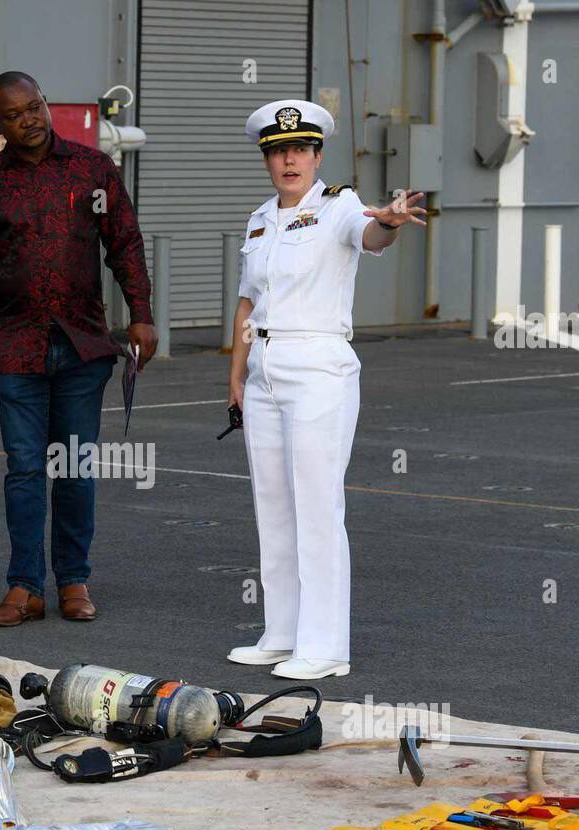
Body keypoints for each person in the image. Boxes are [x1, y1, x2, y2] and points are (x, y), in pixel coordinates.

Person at [0, 71, 157, 626]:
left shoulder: (93, 169)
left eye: (35, 106)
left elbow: (125, 245)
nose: (30, 119)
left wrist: (142, 315)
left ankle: (73, 580)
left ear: (45, 104)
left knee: (76, 468)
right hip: (16, 350)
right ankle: (24, 587)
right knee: (22, 468)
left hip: (84, 345)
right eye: (14, 114)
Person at [225, 100, 424, 680]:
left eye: (301, 150)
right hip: (263, 366)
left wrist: (386, 219)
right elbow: (246, 301)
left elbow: (371, 236)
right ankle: (282, 632)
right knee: (274, 505)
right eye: (278, 151)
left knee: (316, 505)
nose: (290, 160)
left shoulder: (338, 206)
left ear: (317, 155)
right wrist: (236, 374)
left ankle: (325, 644)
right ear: (266, 158)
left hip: (318, 367)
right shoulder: (260, 218)